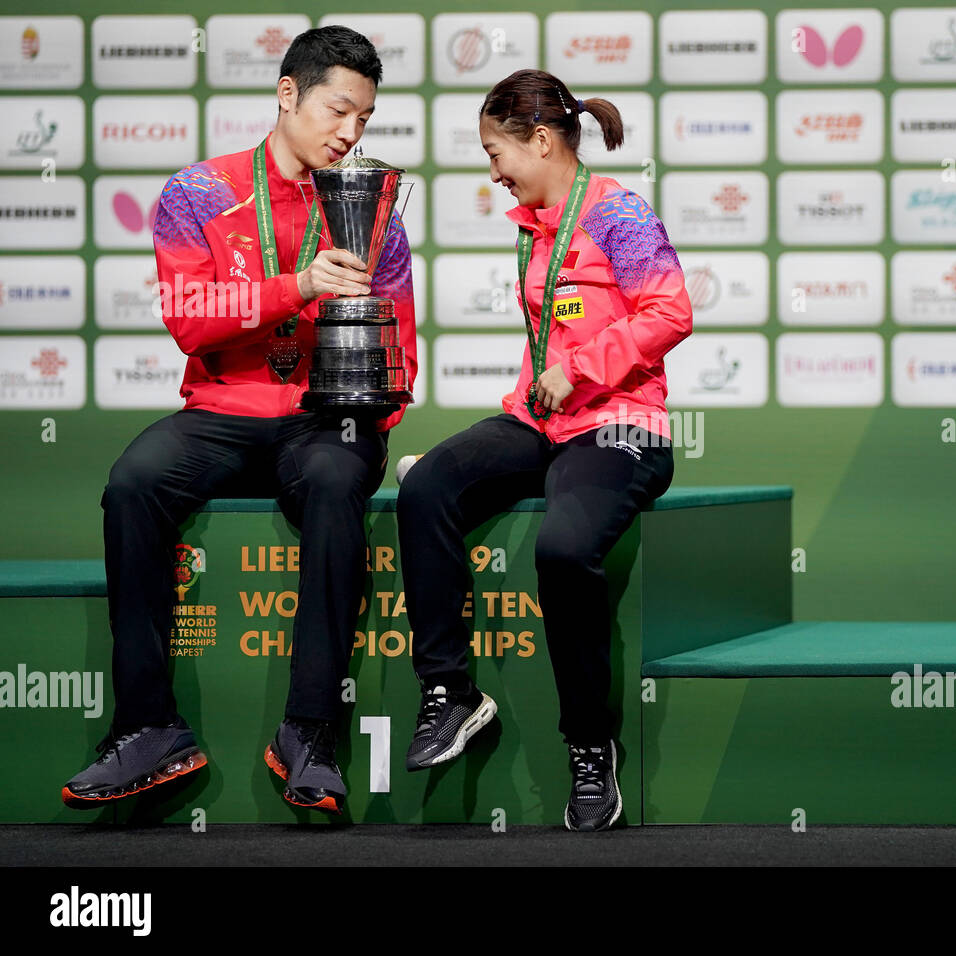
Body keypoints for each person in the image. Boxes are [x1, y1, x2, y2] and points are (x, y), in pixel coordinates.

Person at [61, 26, 417, 816]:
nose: (350, 133)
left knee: (336, 482)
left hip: (322, 424)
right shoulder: (197, 193)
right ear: (288, 94)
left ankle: (310, 731)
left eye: (363, 119)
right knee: (132, 483)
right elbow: (189, 318)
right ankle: (150, 727)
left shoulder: (371, 199)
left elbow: (400, 331)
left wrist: (375, 402)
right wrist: (298, 285)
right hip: (222, 411)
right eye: (337, 110)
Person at [396, 69, 691, 831]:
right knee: (427, 486)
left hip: (621, 425)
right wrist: (545, 387)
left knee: (562, 549)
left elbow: (671, 311)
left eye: (498, 151)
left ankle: (591, 750)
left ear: (542, 139)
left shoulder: (618, 212)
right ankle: (451, 692)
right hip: (542, 421)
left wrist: (582, 370)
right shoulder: (535, 224)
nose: (492, 170)